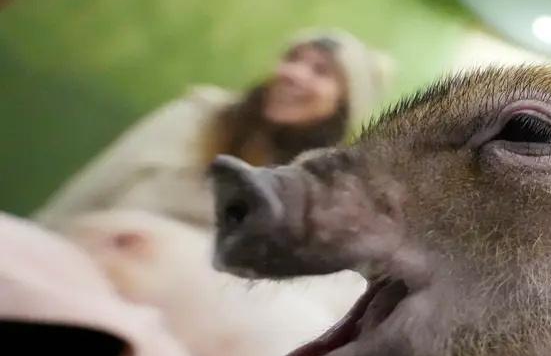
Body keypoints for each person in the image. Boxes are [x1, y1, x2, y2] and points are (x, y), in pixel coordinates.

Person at [31, 28, 394, 233]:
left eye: (321, 71)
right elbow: (99, 182)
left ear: (343, 106)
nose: (293, 74)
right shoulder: (198, 117)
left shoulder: (321, 193)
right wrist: (42, 235)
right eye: (292, 58)